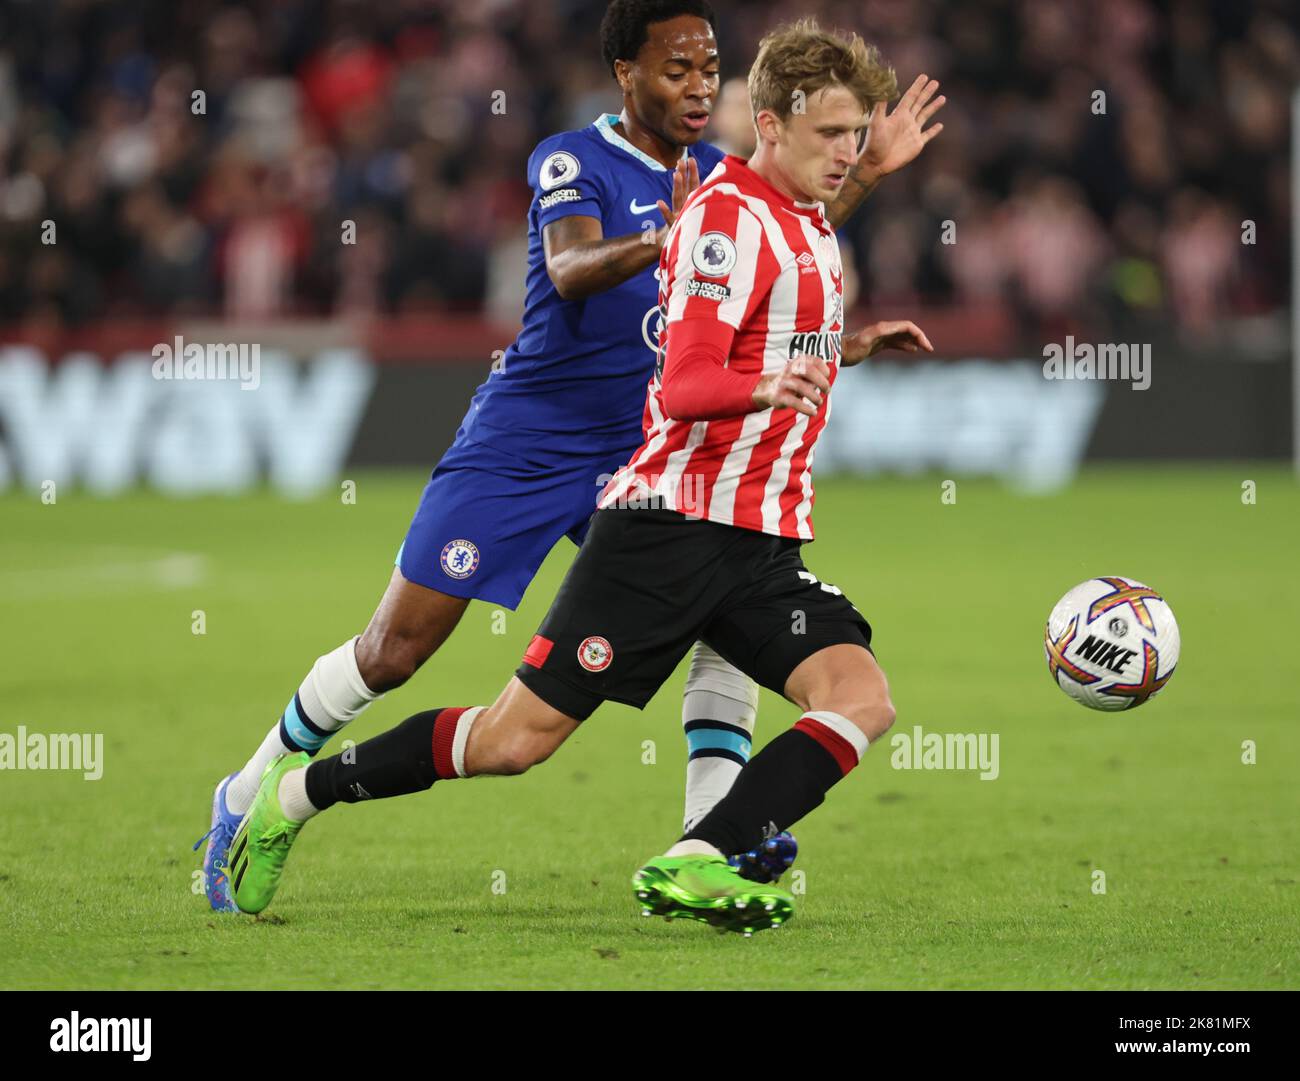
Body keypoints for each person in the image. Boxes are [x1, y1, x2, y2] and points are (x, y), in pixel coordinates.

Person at [224, 16, 937, 936]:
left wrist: (848, 342)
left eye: (855, 135)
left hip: (756, 536)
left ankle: (704, 852)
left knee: (861, 697)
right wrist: (763, 375)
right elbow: (681, 378)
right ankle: (295, 794)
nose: (849, 152)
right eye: (834, 135)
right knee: (509, 739)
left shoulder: (796, 221)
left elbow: (776, 325)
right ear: (768, 123)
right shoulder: (705, 209)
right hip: (660, 524)